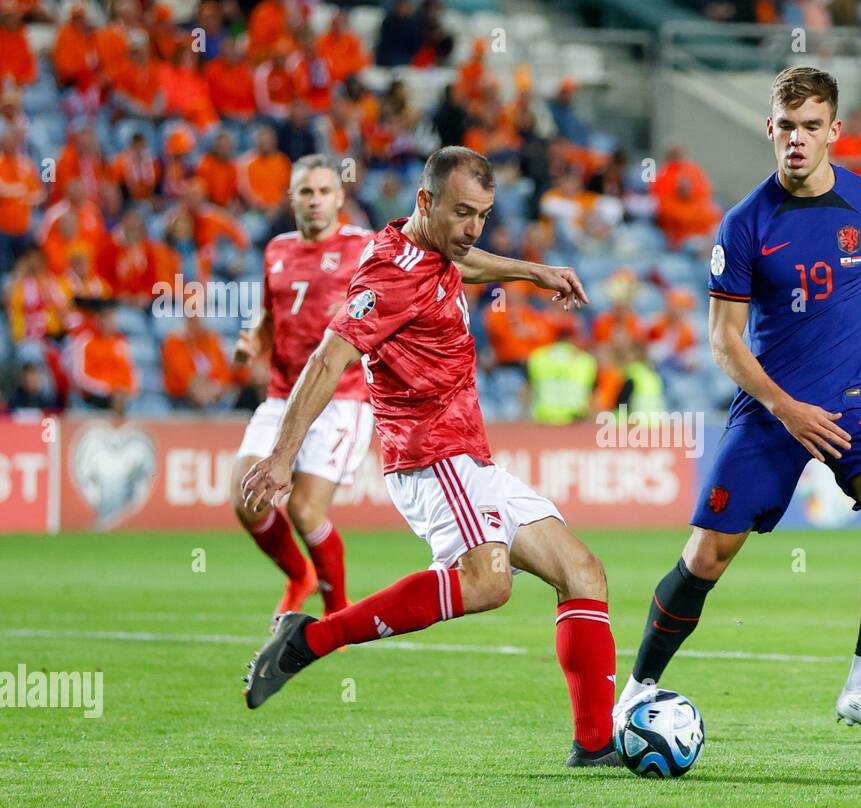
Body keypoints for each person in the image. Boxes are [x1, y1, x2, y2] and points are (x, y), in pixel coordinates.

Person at [240, 146, 621, 769]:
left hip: (470, 456)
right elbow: (327, 359)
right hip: (431, 456)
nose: (473, 228)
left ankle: (595, 747)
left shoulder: (436, 249)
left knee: (584, 573)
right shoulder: (389, 274)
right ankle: (310, 638)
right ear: (425, 203)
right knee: (488, 583)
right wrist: (282, 456)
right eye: (462, 213)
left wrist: (532, 271)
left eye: (483, 214)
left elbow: (462, 261)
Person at [618, 67, 861, 743]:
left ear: (834, 132)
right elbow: (724, 341)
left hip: (853, 404)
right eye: (786, 127)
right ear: (770, 130)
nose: (797, 139)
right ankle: (635, 691)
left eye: (811, 127)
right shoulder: (744, 225)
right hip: (770, 411)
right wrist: (786, 408)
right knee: (705, 559)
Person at [230, 155, 375, 620]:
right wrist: (254, 339)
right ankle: (300, 577)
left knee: (305, 511)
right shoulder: (277, 249)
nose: (315, 201)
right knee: (247, 500)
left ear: (340, 197)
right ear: (291, 197)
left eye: (324, 192)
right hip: (281, 394)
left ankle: (338, 615)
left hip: (342, 397)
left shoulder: (365, 248)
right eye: (306, 192)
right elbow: (270, 313)